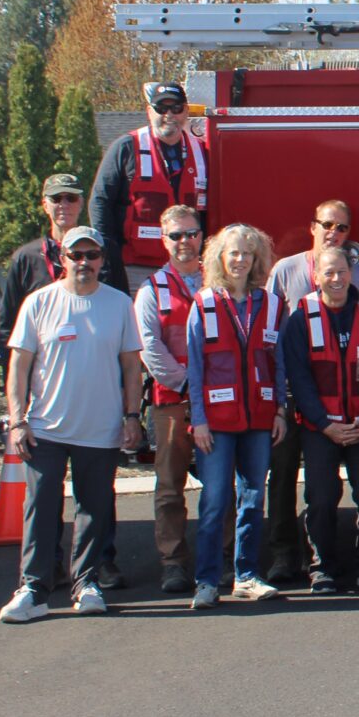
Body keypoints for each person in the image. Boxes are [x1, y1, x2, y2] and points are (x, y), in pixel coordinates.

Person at [0, 226, 144, 624]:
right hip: (45, 428)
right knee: (41, 507)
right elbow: (19, 366)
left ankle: (87, 583)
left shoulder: (118, 304)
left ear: (102, 260)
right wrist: (18, 419)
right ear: (62, 259)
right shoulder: (39, 303)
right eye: (76, 255)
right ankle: (33, 589)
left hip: (101, 429)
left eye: (92, 255)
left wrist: (133, 415)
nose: (84, 263)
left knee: (94, 509)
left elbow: (131, 365)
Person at [264, 198, 359, 582]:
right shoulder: (284, 270)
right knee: (287, 481)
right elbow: (270, 337)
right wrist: (284, 401)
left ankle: (356, 565)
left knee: (352, 493)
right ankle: (289, 556)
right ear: (312, 226)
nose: (334, 232)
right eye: (327, 224)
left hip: (349, 406)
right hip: (297, 398)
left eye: (342, 227)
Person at [184, 224, 286, 609]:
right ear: (219, 259)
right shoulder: (205, 303)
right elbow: (195, 366)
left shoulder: (272, 304)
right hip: (217, 422)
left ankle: (246, 576)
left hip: (259, 419)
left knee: (252, 498)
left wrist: (279, 409)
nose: (241, 260)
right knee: (213, 501)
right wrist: (199, 420)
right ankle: (207, 581)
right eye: (234, 253)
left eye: (248, 253)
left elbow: (277, 363)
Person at [281, 246, 359, 593]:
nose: (336, 279)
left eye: (341, 271)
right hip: (320, 428)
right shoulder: (300, 319)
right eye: (328, 272)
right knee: (321, 497)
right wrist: (325, 424)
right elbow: (297, 379)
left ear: (351, 274)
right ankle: (322, 568)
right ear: (315, 277)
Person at [135, 205, 204, 594]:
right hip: (172, 400)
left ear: (201, 236)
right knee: (169, 485)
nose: (184, 242)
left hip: (218, 402)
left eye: (190, 233)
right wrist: (187, 385)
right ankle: (173, 562)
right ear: (164, 240)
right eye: (176, 235)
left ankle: (222, 558)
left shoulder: (220, 281)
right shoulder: (151, 290)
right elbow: (150, 348)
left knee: (220, 482)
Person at [92, 81, 208, 292]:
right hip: (136, 268)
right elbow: (100, 202)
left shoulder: (201, 151)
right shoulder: (126, 148)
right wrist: (109, 259)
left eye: (176, 108)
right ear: (149, 111)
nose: (169, 114)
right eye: (161, 108)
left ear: (186, 111)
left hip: (186, 267)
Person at [0, 174, 86, 362]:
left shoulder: (100, 253)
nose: (64, 204)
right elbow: (8, 326)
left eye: (71, 198)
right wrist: (13, 384)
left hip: (90, 359)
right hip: (43, 365)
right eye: (56, 199)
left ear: (81, 203)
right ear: (45, 205)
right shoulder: (25, 258)